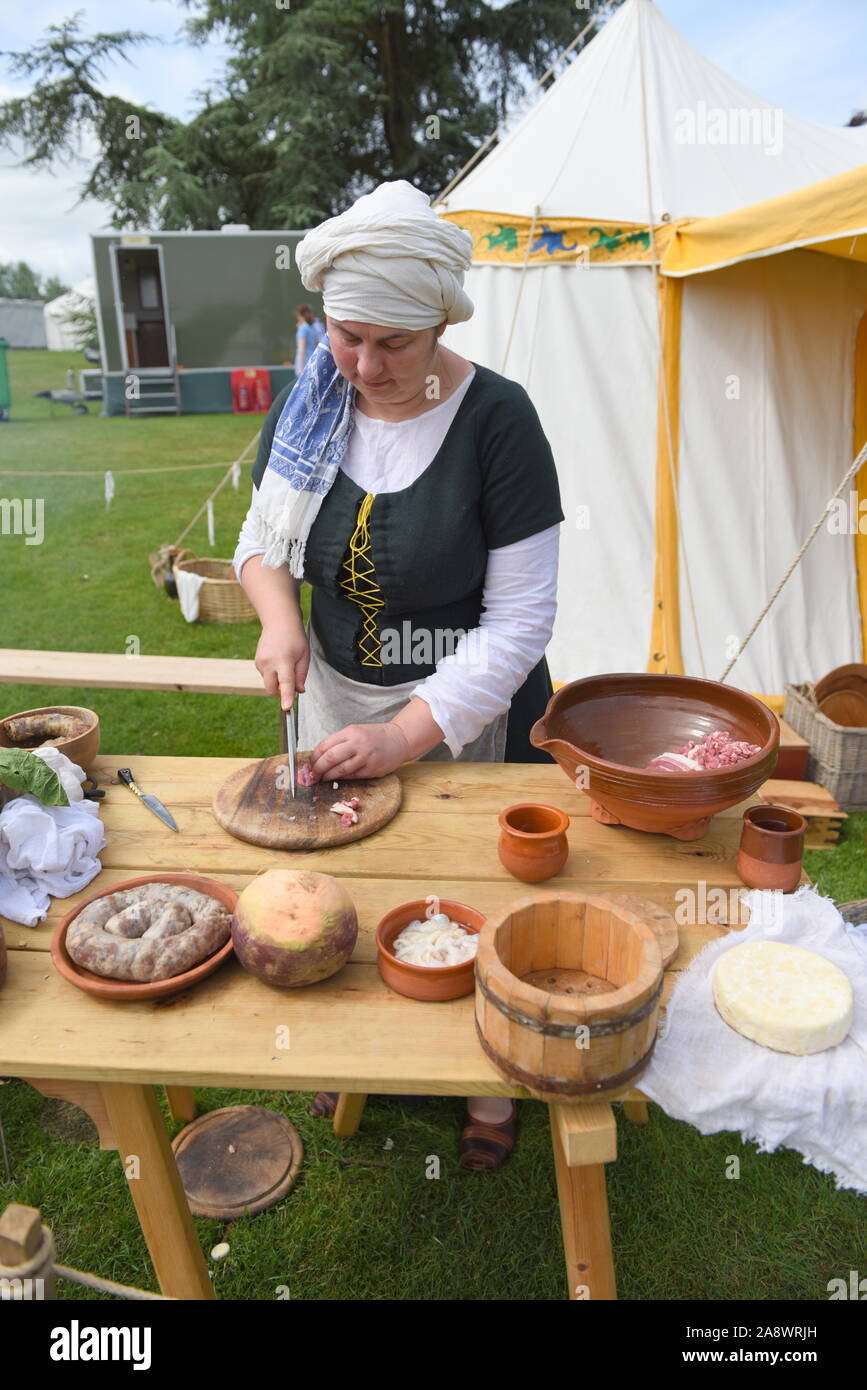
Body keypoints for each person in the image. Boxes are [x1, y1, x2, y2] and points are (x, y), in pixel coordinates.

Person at [234, 180, 563, 1171]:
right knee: (354, 885)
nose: (366, 366)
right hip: (332, 690)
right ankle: (352, 1048)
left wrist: (406, 734)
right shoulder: (314, 400)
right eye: (347, 336)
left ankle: (489, 1086)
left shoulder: (499, 420)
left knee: (466, 897)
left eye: (393, 344)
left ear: (439, 322)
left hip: (466, 711)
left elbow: (520, 621)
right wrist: (281, 619)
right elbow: (260, 540)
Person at [294, 303, 327, 376]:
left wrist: (300, 368)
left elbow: (301, 349)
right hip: (314, 363)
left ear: (300, 315)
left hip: (305, 365)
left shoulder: (303, 328)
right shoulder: (313, 327)